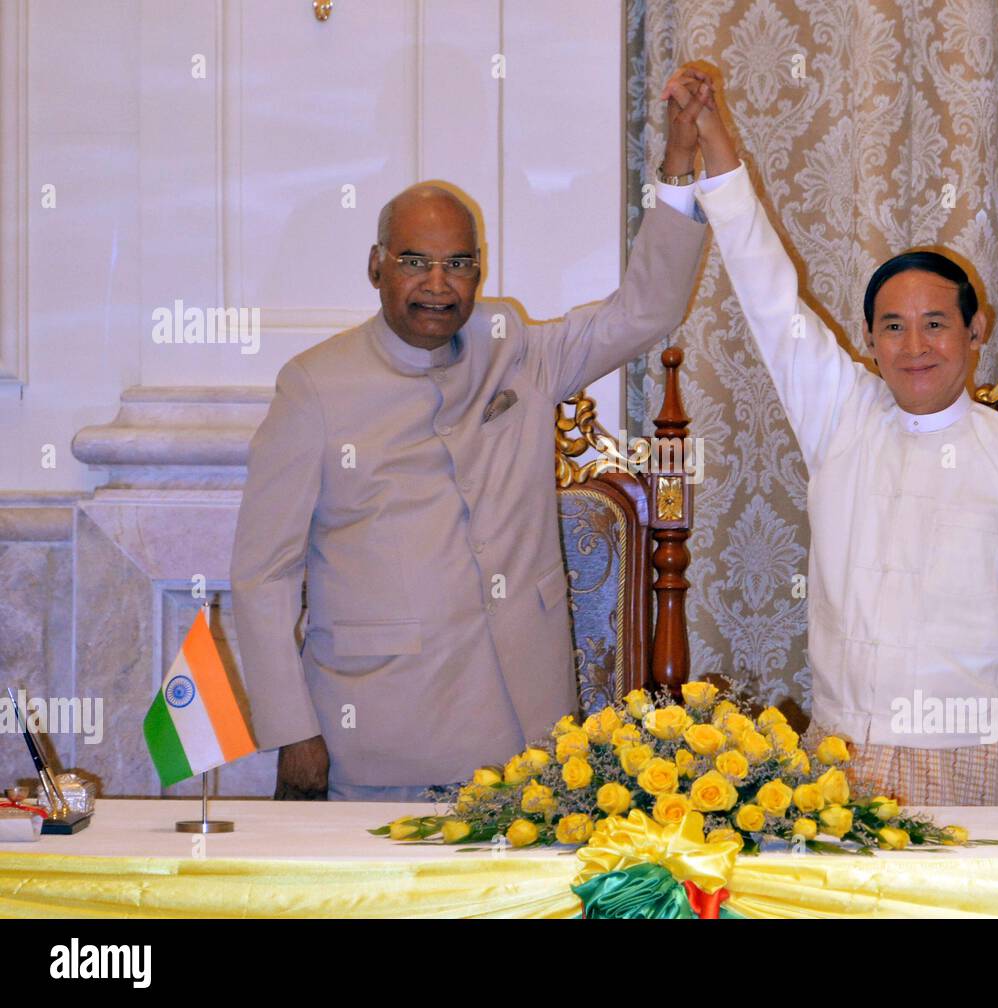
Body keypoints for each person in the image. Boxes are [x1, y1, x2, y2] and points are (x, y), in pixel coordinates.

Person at [232, 74, 714, 800]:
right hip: (381, 740)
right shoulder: (314, 387)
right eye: (415, 262)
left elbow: (645, 314)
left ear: (478, 272)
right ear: (376, 267)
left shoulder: (513, 347)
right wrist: (290, 731)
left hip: (524, 735)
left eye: (458, 264)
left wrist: (678, 170)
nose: (438, 283)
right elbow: (261, 576)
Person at [663, 66, 998, 805]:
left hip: (968, 766)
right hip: (834, 765)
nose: (914, 346)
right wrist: (717, 145)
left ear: (974, 332)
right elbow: (765, 288)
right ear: (869, 340)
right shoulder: (840, 415)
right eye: (893, 326)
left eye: (935, 324)